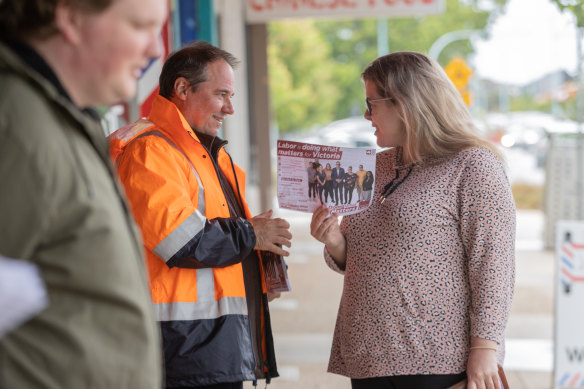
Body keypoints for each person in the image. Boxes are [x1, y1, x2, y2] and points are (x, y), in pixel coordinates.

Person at [310, 51, 515, 389]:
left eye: (371, 104)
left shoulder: (473, 165)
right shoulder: (373, 166)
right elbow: (360, 255)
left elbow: (494, 264)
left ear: (404, 103)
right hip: (368, 357)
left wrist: (485, 348)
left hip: (438, 359)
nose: (365, 115)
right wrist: (334, 241)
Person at [0, 0, 167, 388]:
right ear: (71, 19)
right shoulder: (16, 126)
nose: (156, 49)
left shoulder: (56, 117)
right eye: (141, 26)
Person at [108, 41, 293, 389]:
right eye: (221, 94)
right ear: (181, 89)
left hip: (209, 348)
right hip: (180, 351)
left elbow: (230, 238)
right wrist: (253, 235)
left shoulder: (208, 155)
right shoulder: (151, 151)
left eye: (232, 96)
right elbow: (183, 241)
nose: (229, 109)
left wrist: (262, 266)